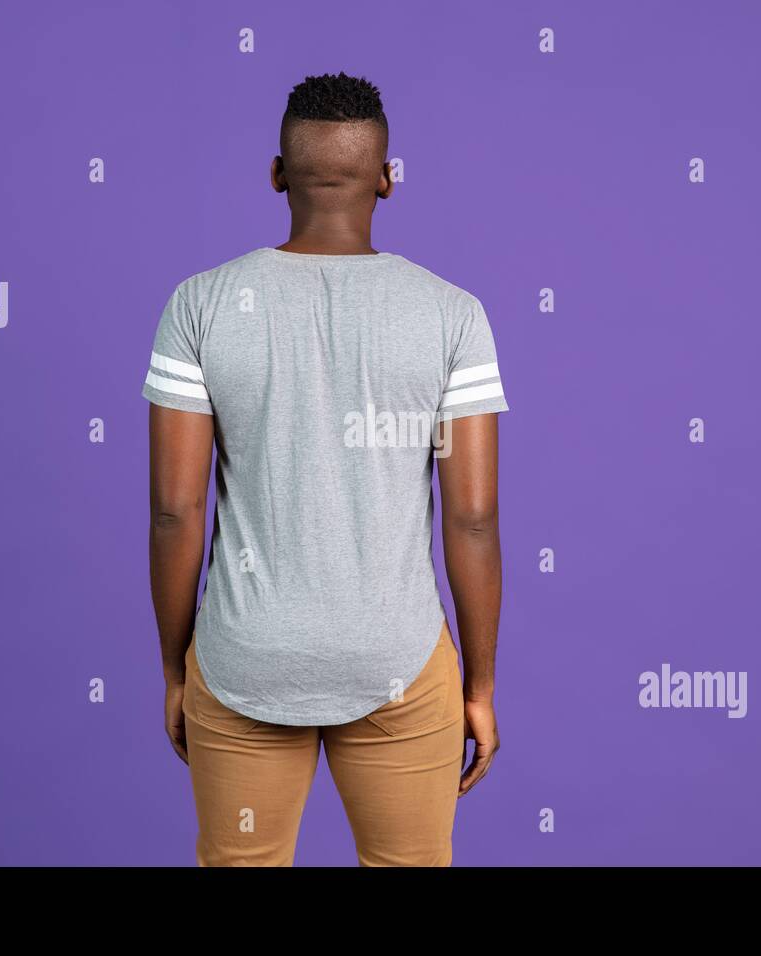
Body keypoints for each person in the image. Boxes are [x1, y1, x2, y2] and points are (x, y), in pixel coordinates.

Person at [143, 71, 507, 866]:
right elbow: (472, 518)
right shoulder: (452, 315)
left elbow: (176, 511)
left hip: (243, 660)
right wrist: (478, 690)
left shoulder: (198, 305)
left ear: (278, 175)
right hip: (398, 663)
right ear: (387, 179)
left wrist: (177, 673)